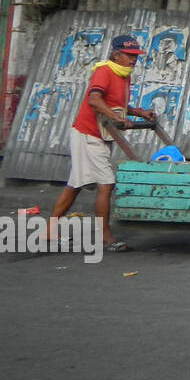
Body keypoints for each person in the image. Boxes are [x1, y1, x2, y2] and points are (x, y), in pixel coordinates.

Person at [46, 35, 154, 253]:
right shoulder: (104, 71)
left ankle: (50, 228)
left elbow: (115, 104)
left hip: (100, 134)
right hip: (88, 133)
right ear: (116, 55)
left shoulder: (123, 75)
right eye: (129, 56)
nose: (133, 60)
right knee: (106, 182)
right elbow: (94, 100)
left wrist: (139, 112)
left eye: (135, 56)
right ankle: (105, 236)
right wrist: (116, 119)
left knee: (76, 183)